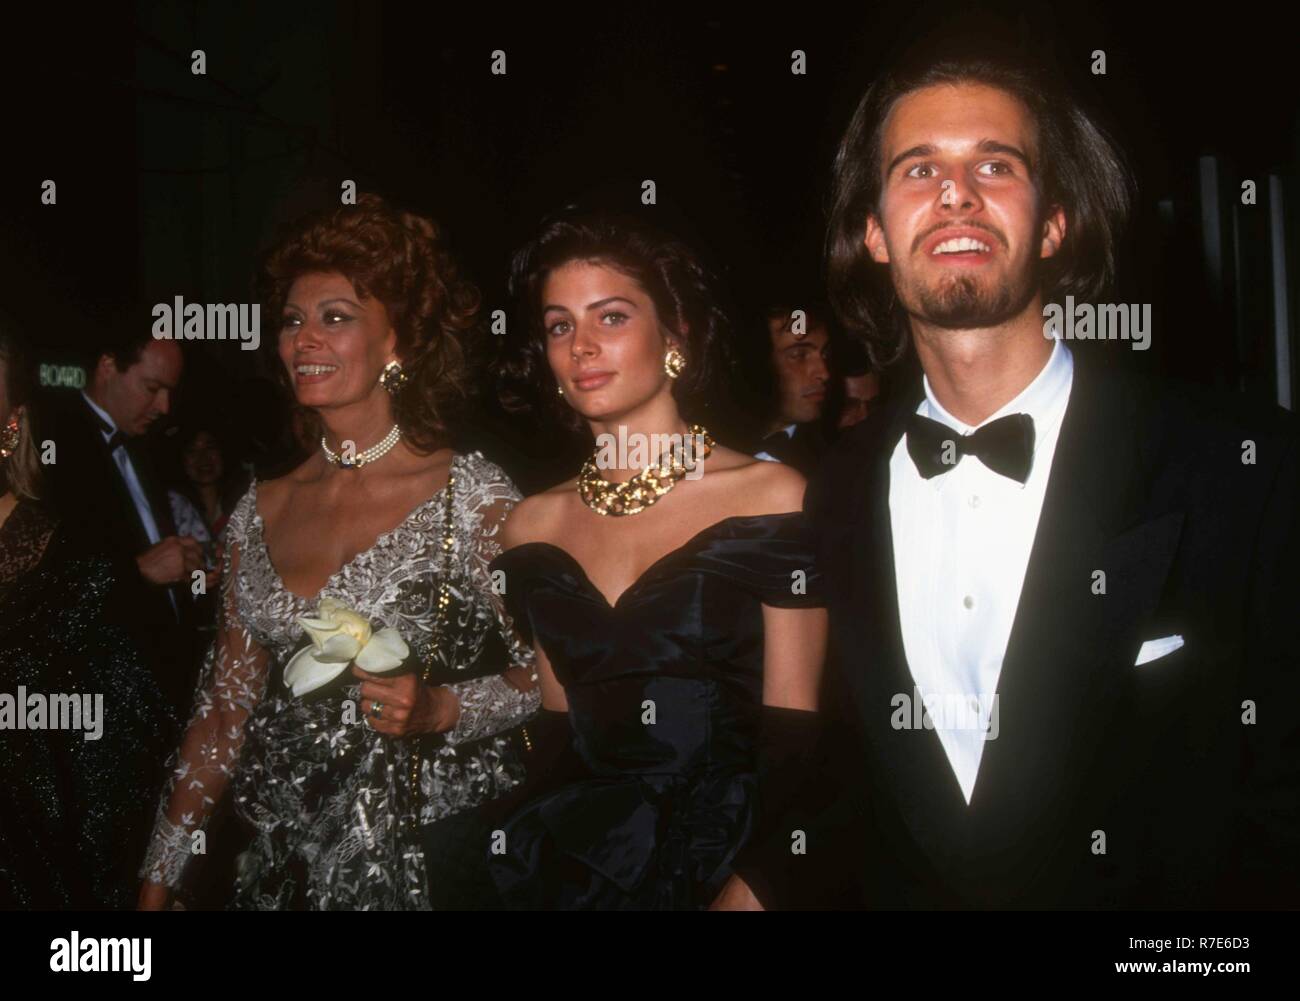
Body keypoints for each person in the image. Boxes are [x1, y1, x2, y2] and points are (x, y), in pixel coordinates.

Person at [718, 41, 1300, 910]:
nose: (956, 194)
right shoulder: (834, 491)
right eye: (918, 170)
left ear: (1055, 221)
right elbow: (856, 776)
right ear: (873, 232)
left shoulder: (1241, 464)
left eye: (995, 164)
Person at [138, 194, 540, 911]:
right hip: (280, 872)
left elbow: (545, 676)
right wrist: (159, 875)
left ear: (399, 343)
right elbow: (223, 715)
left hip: (434, 865)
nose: (305, 340)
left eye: (336, 317)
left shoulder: (470, 494)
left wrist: (443, 708)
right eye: (293, 320)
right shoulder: (257, 510)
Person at [488, 209, 827, 909]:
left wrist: (756, 886)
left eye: (610, 317)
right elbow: (559, 732)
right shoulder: (529, 527)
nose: (581, 345)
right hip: (583, 869)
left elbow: (798, 730)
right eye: (559, 325)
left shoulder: (770, 496)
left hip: (735, 856)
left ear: (675, 336)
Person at [0, 324, 175, 909]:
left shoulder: (69, 574)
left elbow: (110, 786)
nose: (163, 406)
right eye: (151, 387)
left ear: (11, 425)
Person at [38, 324, 207, 715]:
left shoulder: (146, 449)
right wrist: (140, 572)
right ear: (107, 366)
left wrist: (191, 577)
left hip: (156, 691)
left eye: (170, 392)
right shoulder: (50, 445)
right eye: (152, 388)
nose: (164, 407)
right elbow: (42, 590)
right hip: (93, 701)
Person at [751, 303, 833, 477]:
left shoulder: (833, 463)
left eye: (826, 355)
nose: (824, 373)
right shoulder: (699, 443)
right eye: (798, 355)